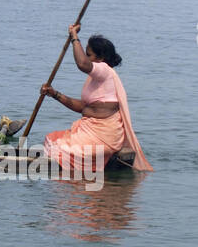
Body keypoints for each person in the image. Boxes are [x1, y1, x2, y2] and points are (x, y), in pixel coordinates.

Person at [38, 24, 152, 172]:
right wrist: (54, 94)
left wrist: (74, 37)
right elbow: (83, 107)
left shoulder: (104, 69)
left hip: (104, 134)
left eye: (89, 54)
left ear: (101, 58)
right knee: (51, 139)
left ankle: (77, 178)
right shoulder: (95, 78)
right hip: (90, 129)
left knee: (58, 147)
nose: (86, 57)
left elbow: (82, 64)